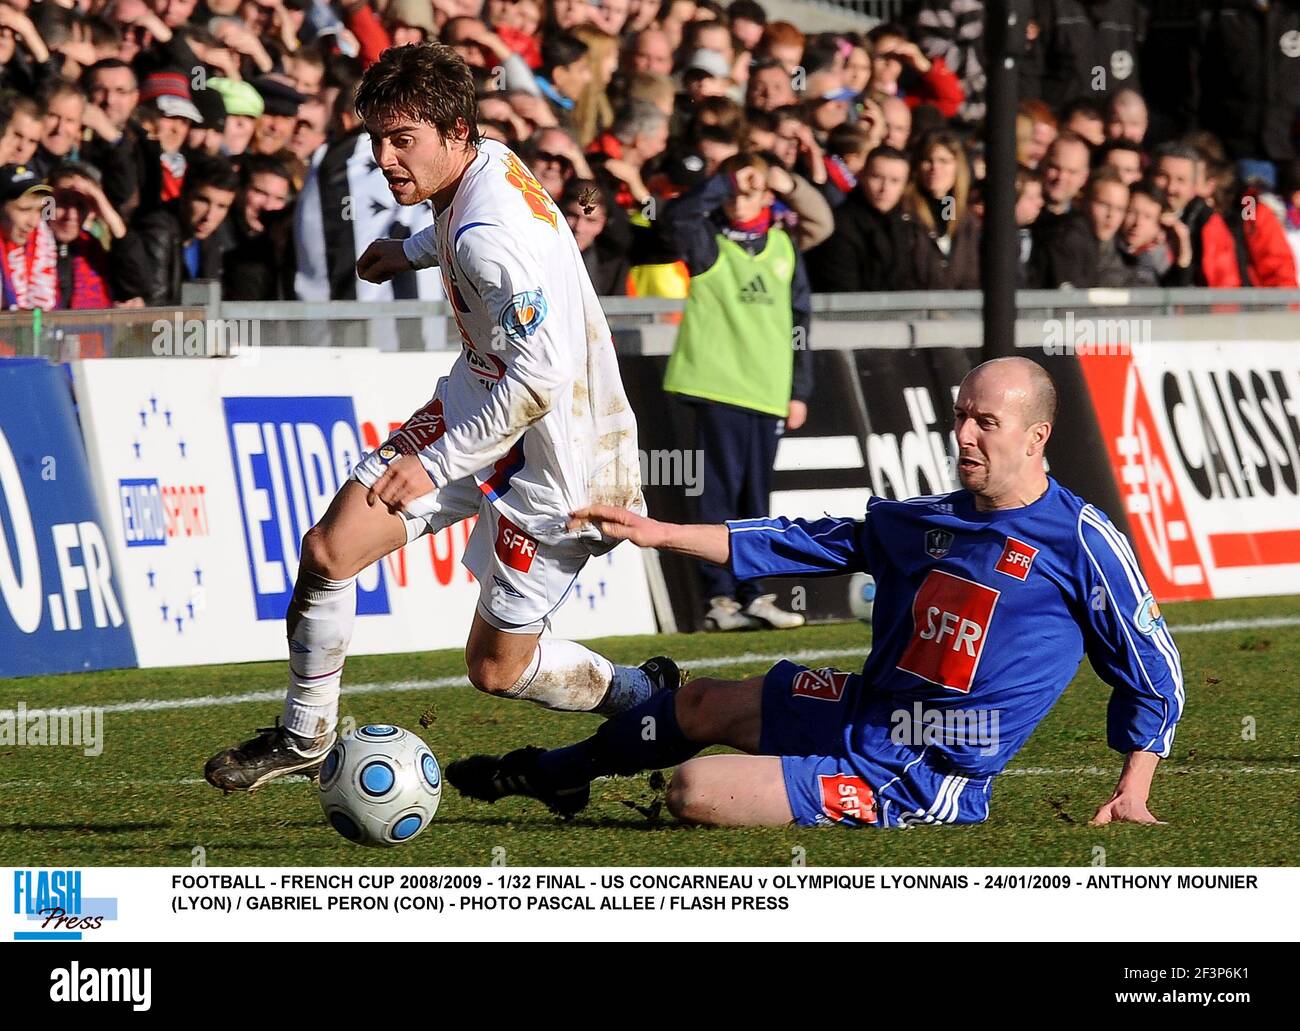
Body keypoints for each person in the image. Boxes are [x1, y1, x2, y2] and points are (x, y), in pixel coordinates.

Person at [204, 42, 675, 793]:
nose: (387, 159)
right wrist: (408, 250)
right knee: (329, 551)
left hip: (563, 456)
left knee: (496, 669)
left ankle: (640, 694)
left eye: (403, 140)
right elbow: (461, 227)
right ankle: (303, 734)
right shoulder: (487, 160)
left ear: (457, 132)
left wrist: (434, 462)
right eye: (378, 141)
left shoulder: (494, 242)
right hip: (481, 401)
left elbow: (544, 375)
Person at [446, 357, 1185, 831]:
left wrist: (1133, 782)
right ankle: (553, 773)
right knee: (699, 701)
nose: (963, 433)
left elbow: (1152, 664)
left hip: (921, 771)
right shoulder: (922, 519)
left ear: (1037, 437)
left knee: (693, 789)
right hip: (865, 708)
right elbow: (794, 539)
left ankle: (577, 771)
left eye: (985, 421)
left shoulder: (1080, 539)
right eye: (959, 414)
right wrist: (657, 531)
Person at [660, 152, 813, 632]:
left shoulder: (785, 248)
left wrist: (799, 389)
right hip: (717, 388)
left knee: (757, 500)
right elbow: (675, 215)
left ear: (769, 194)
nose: (741, 198)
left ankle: (754, 592)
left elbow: (801, 322)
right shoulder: (708, 242)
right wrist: (723, 179)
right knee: (717, 499)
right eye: (735, 191)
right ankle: (720, 599)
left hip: (768, 394)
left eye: (752, 189)